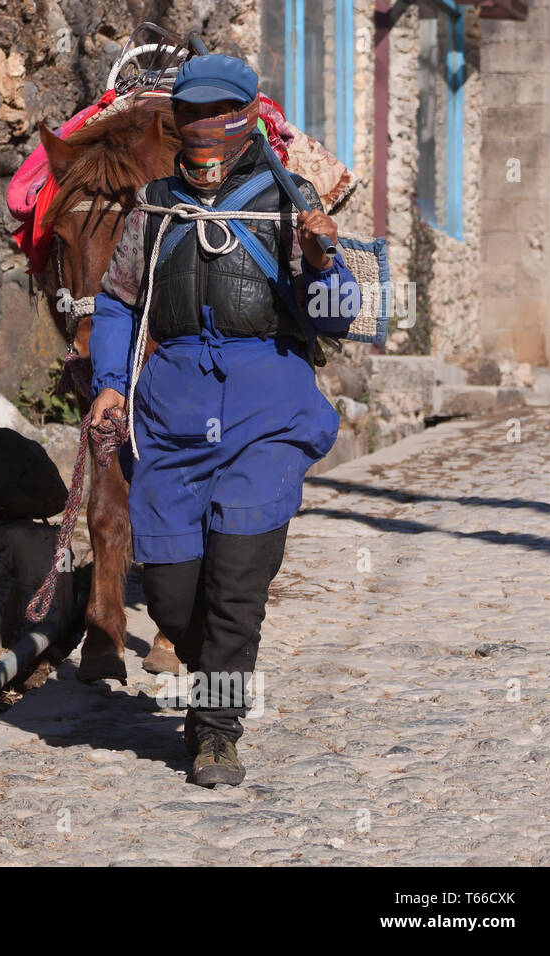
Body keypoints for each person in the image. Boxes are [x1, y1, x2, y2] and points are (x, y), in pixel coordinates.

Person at [87, 54, 360, 787]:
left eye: (217, 115)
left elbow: (339, 315)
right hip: (172, 411)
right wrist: (111, 384)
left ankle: (214, 730)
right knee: (174, 591)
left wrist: (322, 261)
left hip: (267, 407)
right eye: (191, 116)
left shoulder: (288, 201)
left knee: (236, 580)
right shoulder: (154, 206)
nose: (203, 132)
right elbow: (116, 300)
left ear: (242, 121)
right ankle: (214, 684)